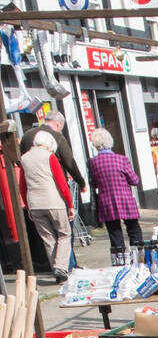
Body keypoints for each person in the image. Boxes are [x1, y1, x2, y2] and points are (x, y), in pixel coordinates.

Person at [18, 130, 73, 281]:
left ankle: (56, 270)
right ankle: (61, 267)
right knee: (64, 233)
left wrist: (28, 206)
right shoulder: (50, 156)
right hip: (54, 201)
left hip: (35, 204)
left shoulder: (24, 159)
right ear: (49, 144)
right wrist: (70, 204)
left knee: (47, 238)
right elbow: (61, 182)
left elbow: (22, 186)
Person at [88, 127, 143, 257]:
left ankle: (120, 260)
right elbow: (134, 180)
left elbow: (93, 183)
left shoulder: (93, 163)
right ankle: (139, 257)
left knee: (114, 233)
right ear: (110, 142)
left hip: (106, 201)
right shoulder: (122, 159)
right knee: (134, 229)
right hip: (125, 199)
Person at [21, 107, 86, 191]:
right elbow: (69, 163)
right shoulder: (58, 137)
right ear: (58, 124)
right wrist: (81, 183)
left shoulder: (26, 135)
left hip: (33, 186)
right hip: (55, 185)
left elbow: (21, 161)